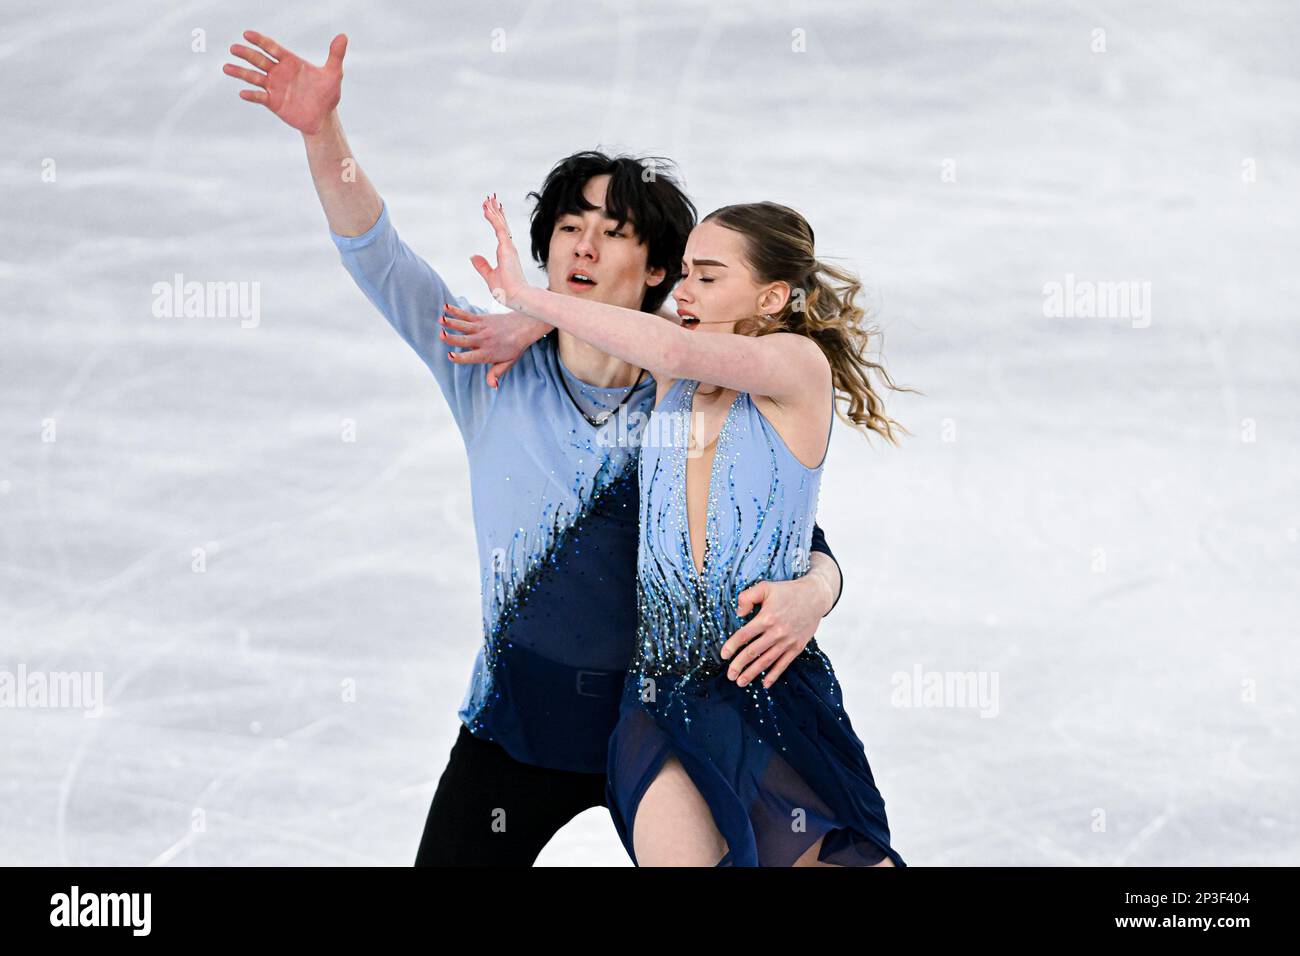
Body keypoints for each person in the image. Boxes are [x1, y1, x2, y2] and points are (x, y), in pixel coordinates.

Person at [222, 30, 848, 866]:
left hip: (666, 729)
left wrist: (819, 587)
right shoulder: (486, 368)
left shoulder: (699, 387)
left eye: (614, 231)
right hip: (518, 728)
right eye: (567, 226)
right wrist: (321, 134)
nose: (583, 245)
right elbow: (381, 261)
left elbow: (778, 530)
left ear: (659, 267)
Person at [463, 193, 914, 866]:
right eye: (684, 273)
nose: (686, 288)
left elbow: (663, 338)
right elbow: (624, 327)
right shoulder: (669, 371)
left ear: (770, 298)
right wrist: (527, 325)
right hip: (659, 693)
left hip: (767, 689)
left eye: (708, 275)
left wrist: (527, 300)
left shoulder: (795, 369)